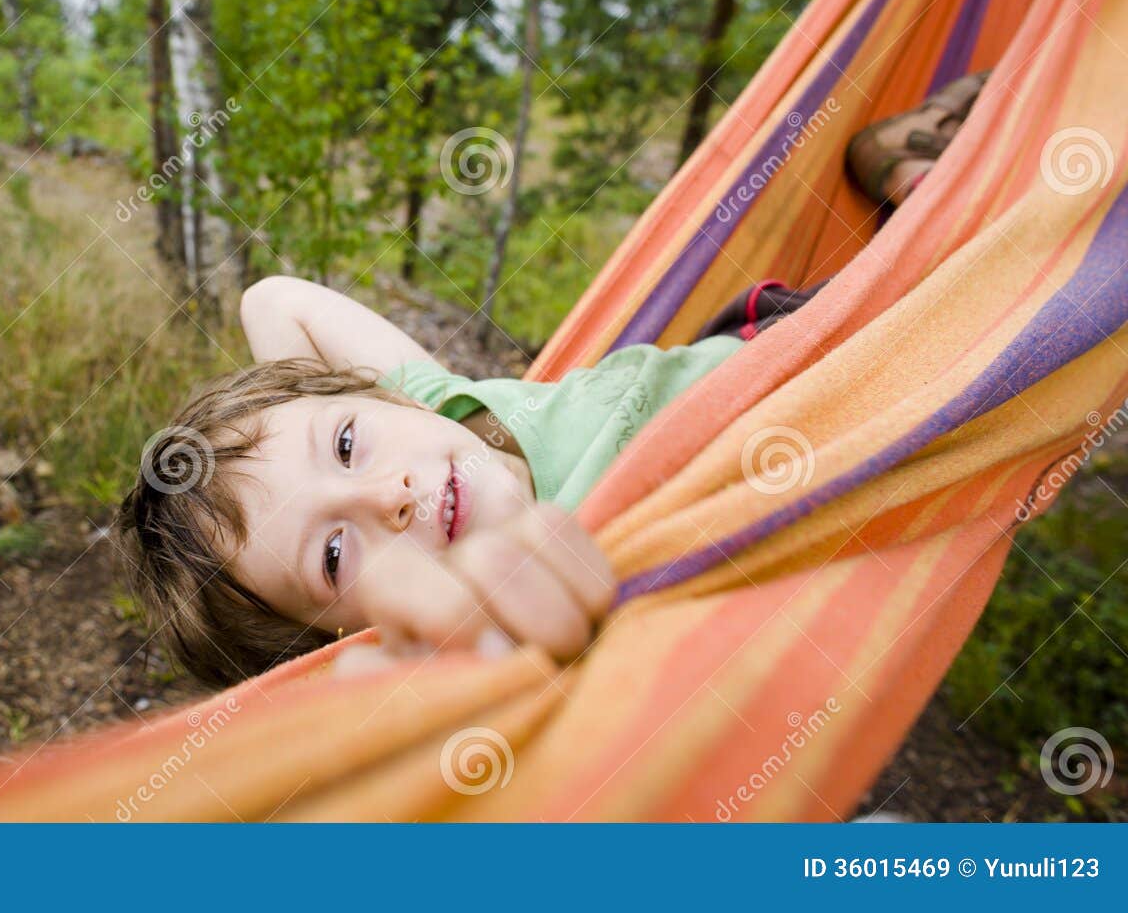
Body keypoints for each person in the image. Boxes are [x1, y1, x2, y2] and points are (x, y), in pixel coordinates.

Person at [114, 72, 987, 687]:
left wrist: (317, 424)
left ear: (377, 397)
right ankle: (927, 167)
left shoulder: (450, 410)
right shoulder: (539, 607)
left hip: (787, 335)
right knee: (1012, 258)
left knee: (978, 214)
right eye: (337, 554)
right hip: (863, 416)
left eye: (347, 444)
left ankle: (921, 161)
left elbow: (274, 297)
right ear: (351, 633)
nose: (387, 496)